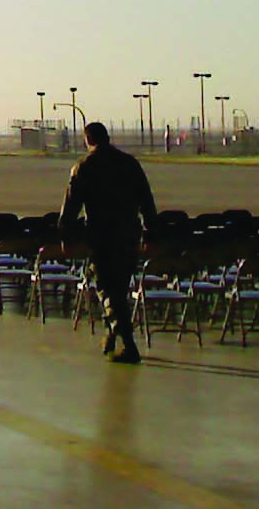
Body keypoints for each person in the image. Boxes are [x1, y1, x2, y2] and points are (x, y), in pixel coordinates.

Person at [60, 121, 158, 363]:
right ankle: (111, 335)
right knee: (119, 289)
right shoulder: (129, 164)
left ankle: (128, 344)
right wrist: (150, 233)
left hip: (102, 236)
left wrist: (66, 236)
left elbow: (71, 205)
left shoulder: (84, 166)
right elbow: (146, 200)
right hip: (128, 234)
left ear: (88, 139)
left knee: (107, 290)